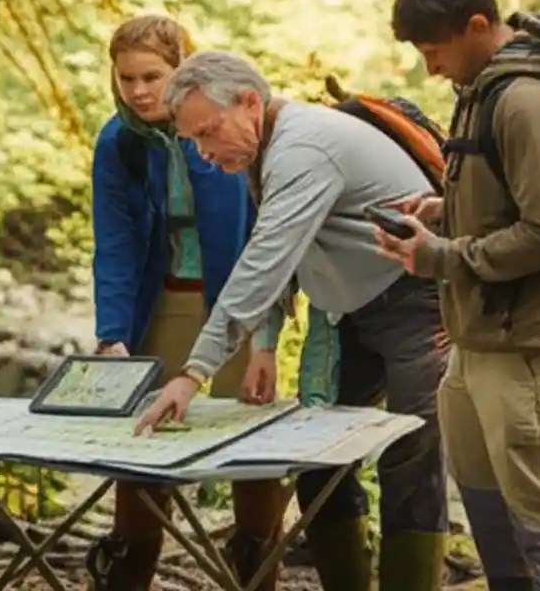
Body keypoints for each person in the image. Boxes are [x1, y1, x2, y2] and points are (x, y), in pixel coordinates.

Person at [135, 50, 451, 591]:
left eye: (208, 133)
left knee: (411, 460)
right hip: (353, 313)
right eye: (194, 143)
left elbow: (264, 262)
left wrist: (193, 373)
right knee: (320, 460)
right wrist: (265, 342)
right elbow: (284, 251)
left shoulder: (303, 147)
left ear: (250, 103)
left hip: (417, 306)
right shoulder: (268, 150)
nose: (205, 155)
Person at [376, 0, 540, 591]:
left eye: (434, 49)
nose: (430, 66)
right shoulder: (481, 92)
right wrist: (446, 209)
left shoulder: (528, 101)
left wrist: (441, 257)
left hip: (530, 346)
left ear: (477, 24)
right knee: (491, 519)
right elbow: (510, 201)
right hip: (476, 345)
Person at [88, 14, 286, 590]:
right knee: (142, 448)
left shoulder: (228, 125)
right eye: (126, 78)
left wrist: (265, 340)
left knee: (252, 451)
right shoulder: (117, 142)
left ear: (183, 71)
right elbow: (116, 246)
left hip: (240, 306)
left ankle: (254, 571)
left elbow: (266, 238)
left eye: (152, 75)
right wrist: (112, 334)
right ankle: (130, 572)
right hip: (166, 304)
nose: (139, 90)